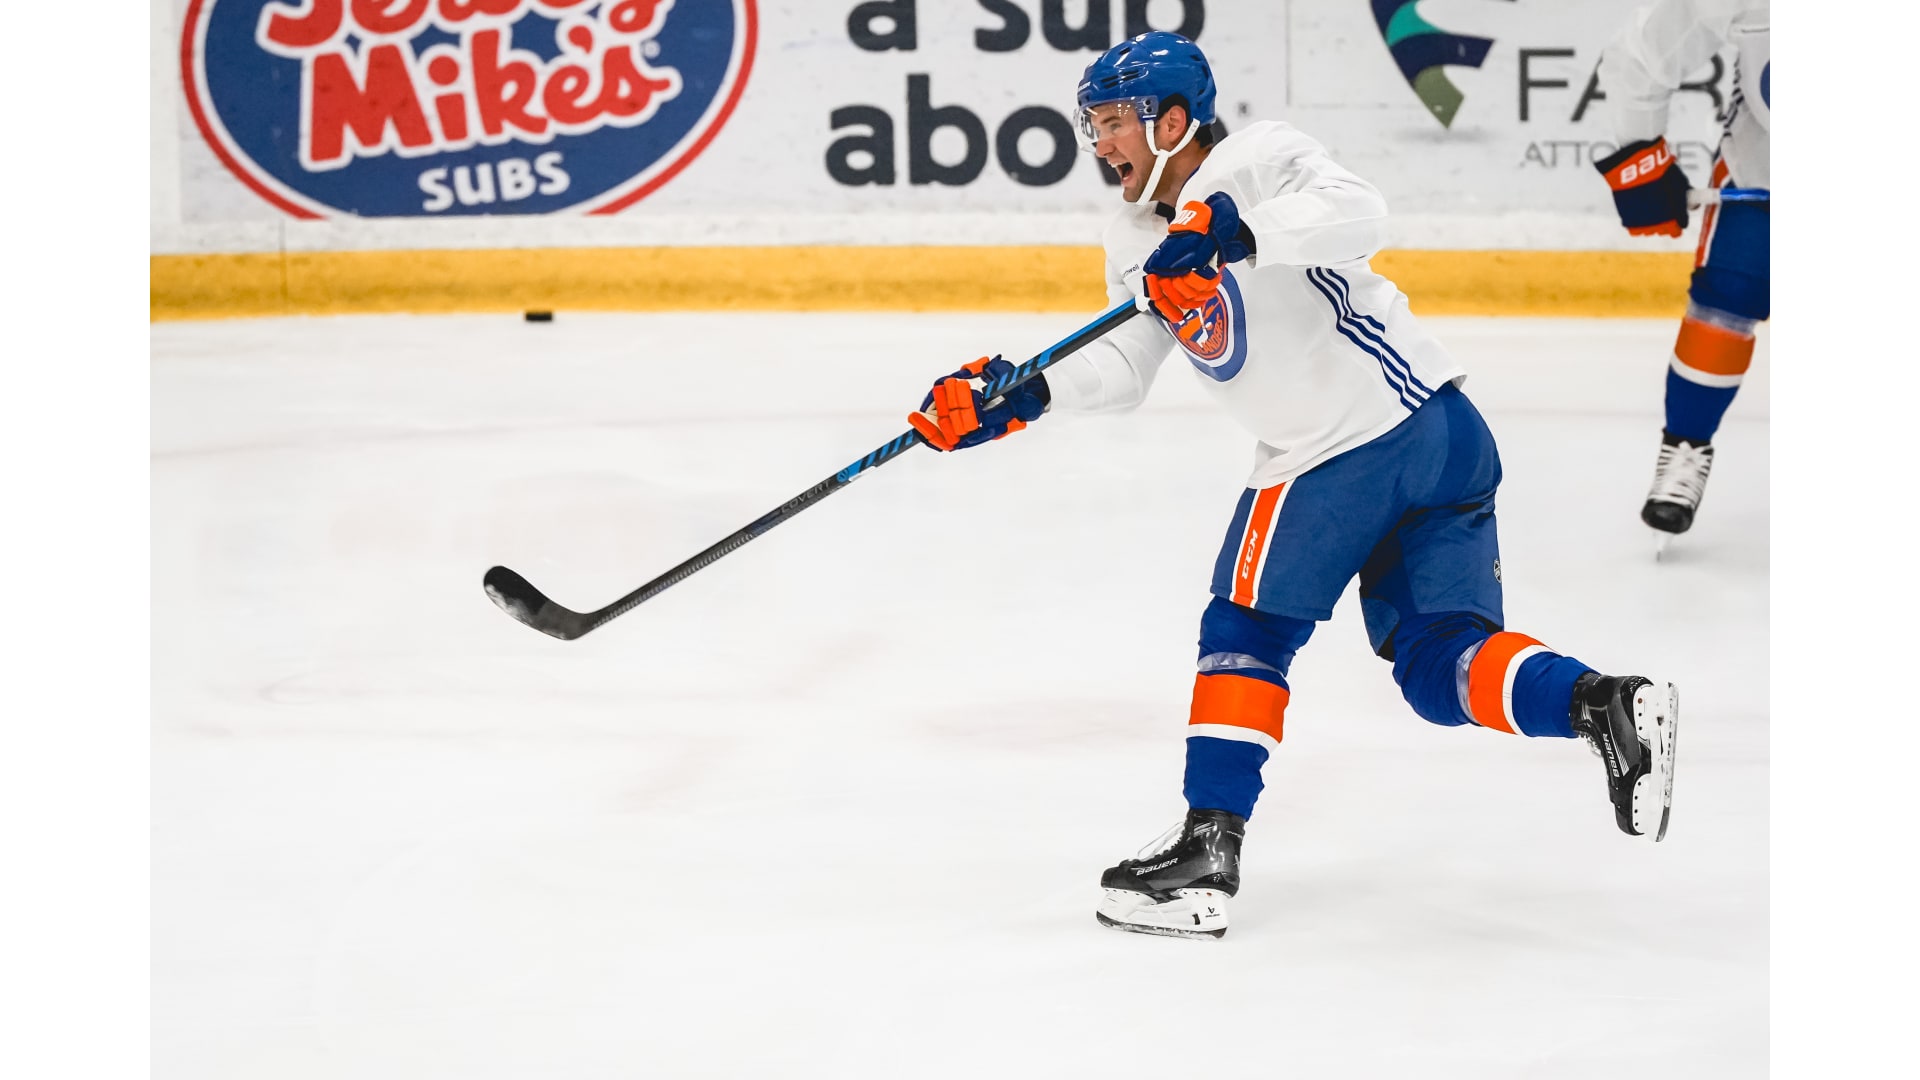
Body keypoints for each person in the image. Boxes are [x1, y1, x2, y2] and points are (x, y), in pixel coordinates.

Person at [904, 32, 1679, 940]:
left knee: (1246, 627)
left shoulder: (1254, 157)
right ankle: (1604, 704)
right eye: (1095, 124)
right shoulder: (1133, 236)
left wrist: (1232, 226)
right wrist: (1023, 394)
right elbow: (1126, 362)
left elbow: (1360, 210)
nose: (1099, 142)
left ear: (1174, 121)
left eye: (1114, 121)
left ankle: (1206, 851)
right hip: (1440, 437)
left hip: (1347, 443)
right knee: (1438, 665)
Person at [1591, 0, 1769, 548]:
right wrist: (1639, 157)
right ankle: (1686, 445)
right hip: (1764, 170)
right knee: (1724, 303)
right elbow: (1642, 55)